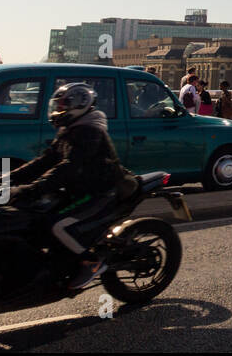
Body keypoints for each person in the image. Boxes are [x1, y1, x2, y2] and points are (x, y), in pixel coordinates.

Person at [9, 82, 139, 290]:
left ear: (79, 105)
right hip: (77, 189)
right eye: (57, 106)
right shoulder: (70, 129)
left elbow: (68, 167)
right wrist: (9, 178)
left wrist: (30, 188)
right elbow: (45, 160)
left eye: (62, 106)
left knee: (58, 226)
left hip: (99, 191)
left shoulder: (89, 132)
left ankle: (91, 261)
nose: (58, 111)